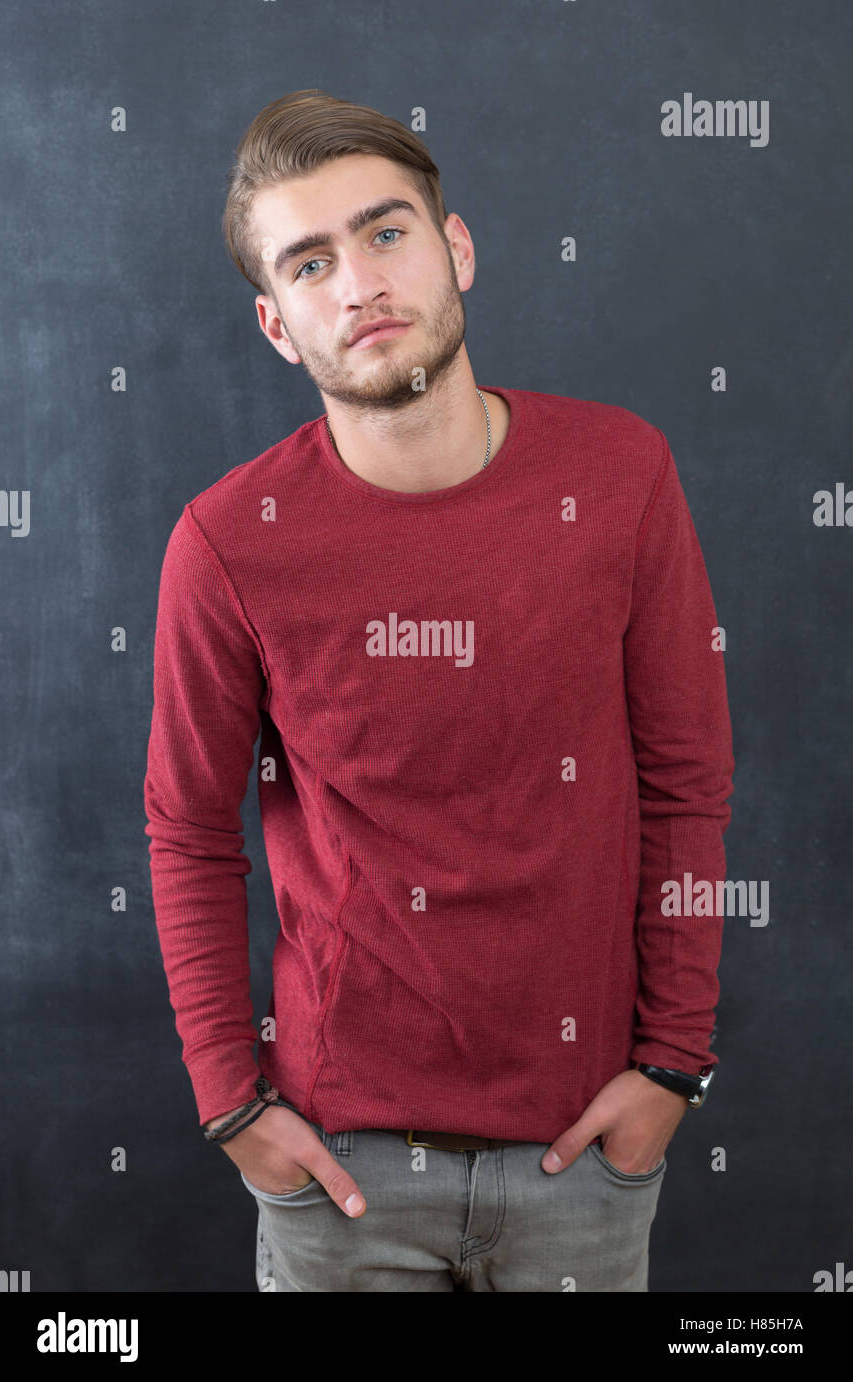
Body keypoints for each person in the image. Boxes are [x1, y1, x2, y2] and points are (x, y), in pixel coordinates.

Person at [143, 89, 735, 1293]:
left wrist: (672, 1064)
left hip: (585, 1154)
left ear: (454, 248)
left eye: (385, 232)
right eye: (311, 261)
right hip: (338, 1170)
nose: (357, 281)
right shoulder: (226, 542)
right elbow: (188, 832)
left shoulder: (619, 475)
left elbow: (686, 782)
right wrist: (229, 1104)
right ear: (275, 322)